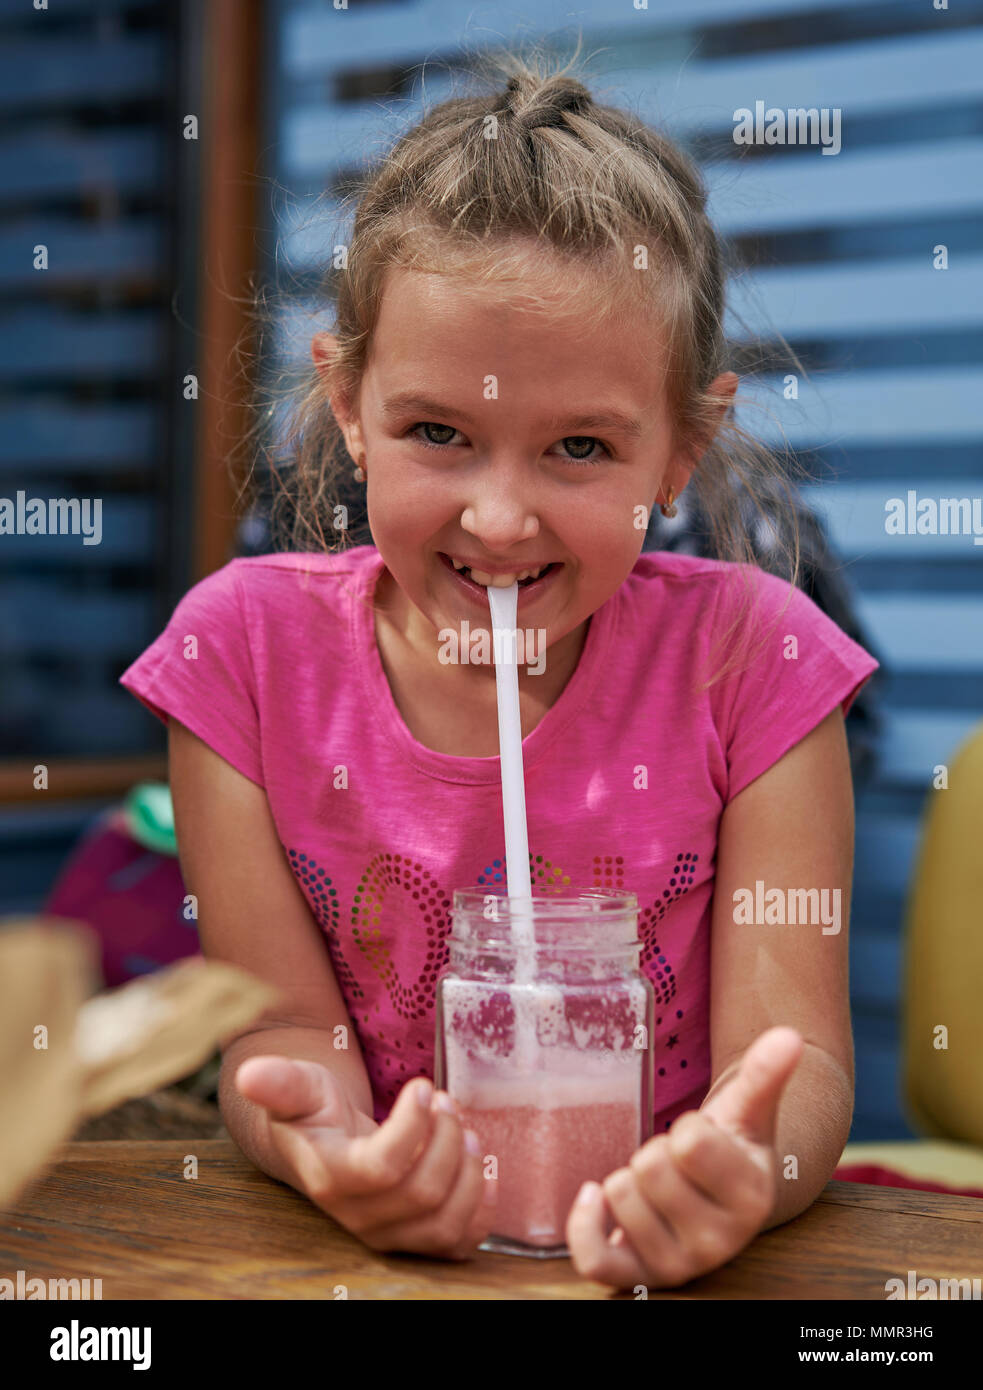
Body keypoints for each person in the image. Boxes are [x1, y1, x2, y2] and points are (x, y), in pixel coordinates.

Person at [120, 51, 879, 1291]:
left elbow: (791, 1068)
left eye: (579, 445)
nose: (501, 519)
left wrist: (744, 1174)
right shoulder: (242, 661)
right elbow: (282, 1033)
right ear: (348, 402)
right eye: (437, 433)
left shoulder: (759, 661)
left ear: (681, 452)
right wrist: (332, 1152)